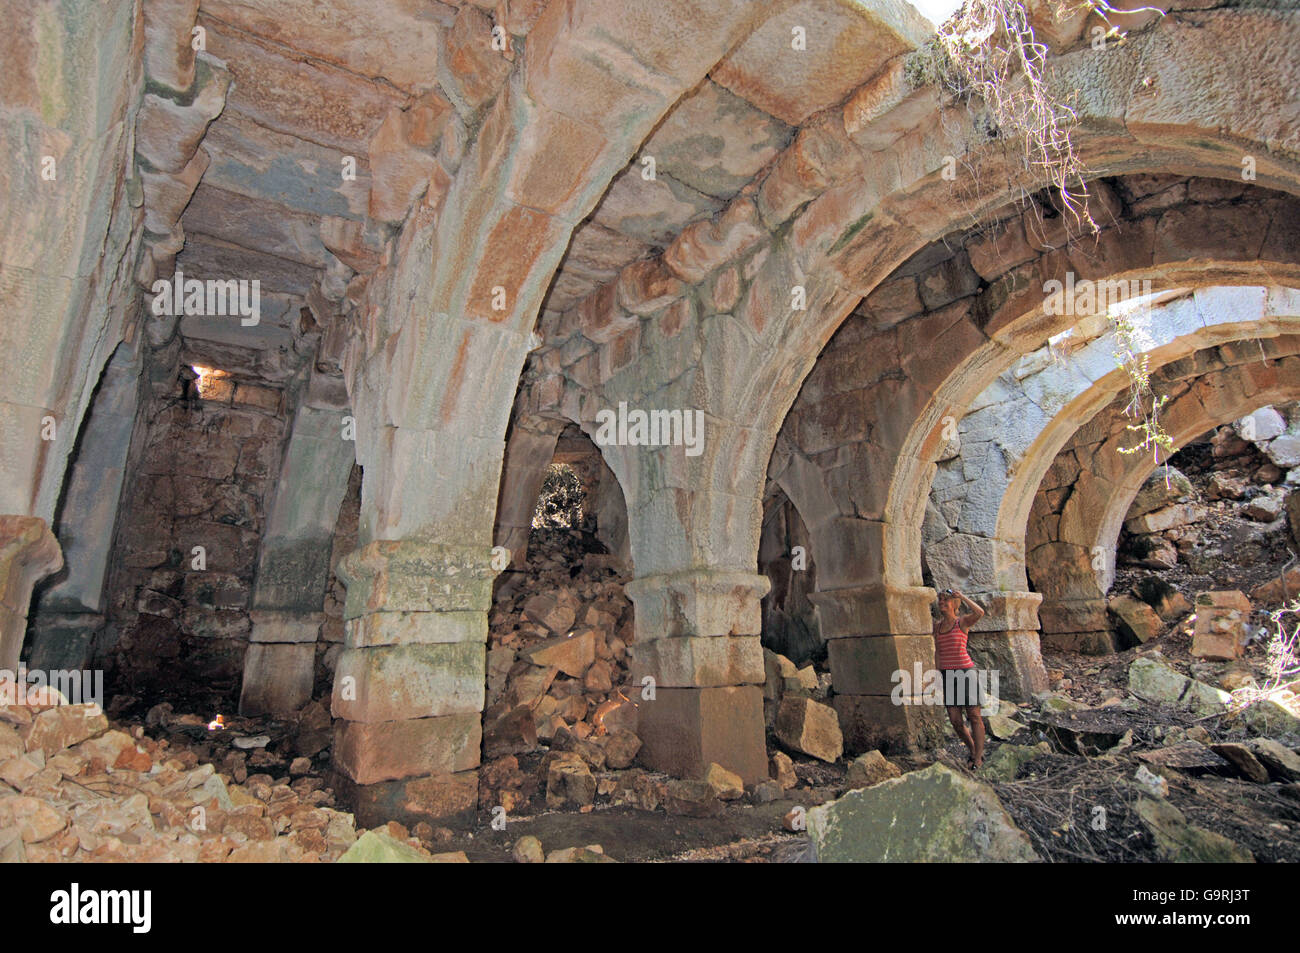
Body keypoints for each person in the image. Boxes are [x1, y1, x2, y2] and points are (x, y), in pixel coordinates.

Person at [933, 588, 986, 768]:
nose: (941, 603)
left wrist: (962, 596)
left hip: (965, 673)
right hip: (947, 675)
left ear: (954, 604)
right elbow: (938, 652)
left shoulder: (962, 622)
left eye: (945, 600)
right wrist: (937, 674)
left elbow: (980, 612)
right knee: (955, 720)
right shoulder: (937, 627)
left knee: (974, 716)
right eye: (940, 600)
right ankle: (973, 749)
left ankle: (977, 758)